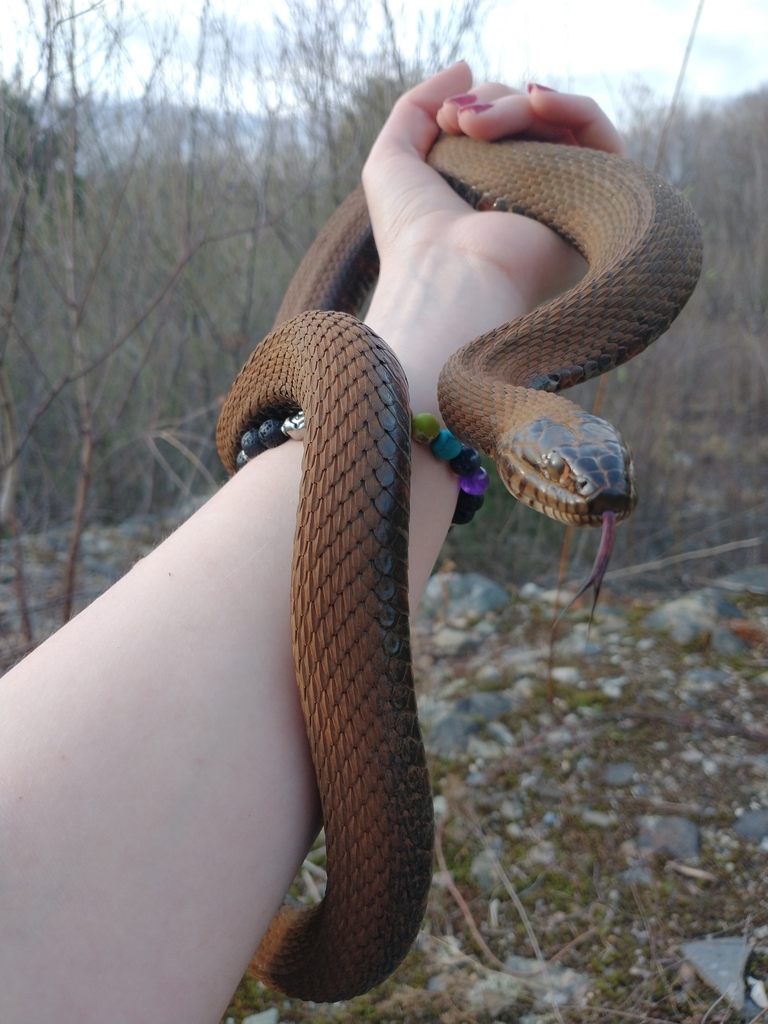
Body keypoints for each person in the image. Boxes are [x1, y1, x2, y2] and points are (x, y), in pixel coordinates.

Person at [0, 62, 624, 1024]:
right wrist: (436, 299)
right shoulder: (416, 377)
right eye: (564, 475)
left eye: (581, 478)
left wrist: (462, 276)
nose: (584, 492)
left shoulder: (611, 287)